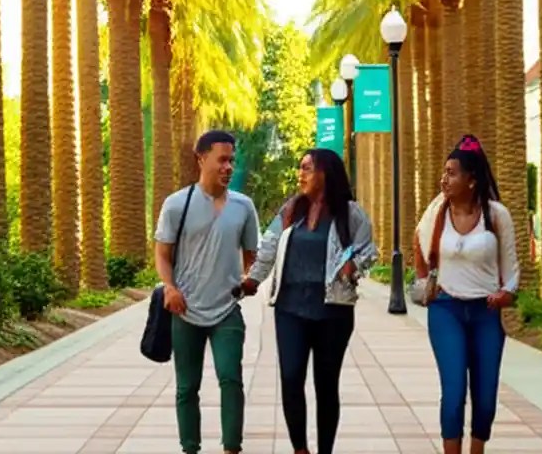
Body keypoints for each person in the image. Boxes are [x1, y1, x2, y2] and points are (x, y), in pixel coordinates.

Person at [242, 148, 377, 454]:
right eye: (300, 168)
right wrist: (252, 281)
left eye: (307, 168)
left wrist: (353, 265)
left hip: (334, 312)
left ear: (325, 173)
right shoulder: (291, 210)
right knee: (291, 378)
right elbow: (269, 247)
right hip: (290, 309)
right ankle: (300, 449)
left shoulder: (350, 213)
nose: (300, 174)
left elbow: (369, 251)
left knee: (326, 385)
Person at [412, 134, 520, 454]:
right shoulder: (438, 211)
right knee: (455, 389)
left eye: (452, 173)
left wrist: (506, 294)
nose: (444, 179)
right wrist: (425, 282)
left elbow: (511, 267)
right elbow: (418, 239)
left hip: (486, 311)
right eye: (444, 172)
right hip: (446, 310)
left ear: (471, 180)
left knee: (485, 396)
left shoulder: (497, 215)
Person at [155, 130, 260, 454]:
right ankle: (190, 448)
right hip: (184, 309)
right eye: (222, 159)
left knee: (231, 378)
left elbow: (251, 255)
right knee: (187, 387)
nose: (228, 166)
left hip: (226, 310)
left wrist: (247, 279)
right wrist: (169, 289)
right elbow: (162, 253)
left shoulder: (244, 207)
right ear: (201, 159)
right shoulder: (177, 204)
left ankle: (232, 448)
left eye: (232, 160)